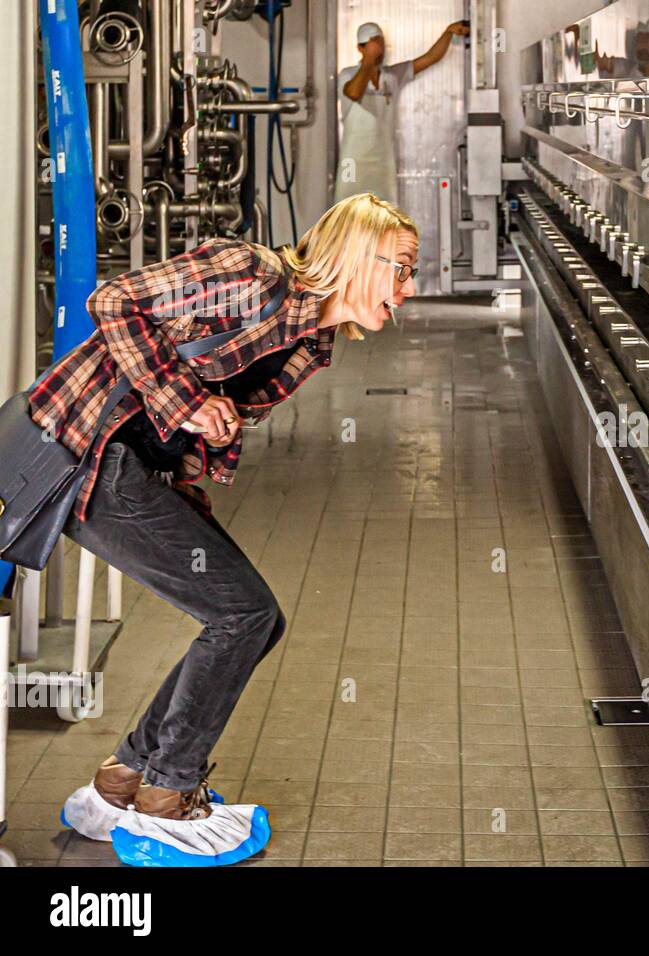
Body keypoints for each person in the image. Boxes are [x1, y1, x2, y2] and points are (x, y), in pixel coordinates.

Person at [30, 193, 418, 834]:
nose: (407, 289)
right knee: (242, 613)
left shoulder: (311, 343)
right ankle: (169, 796)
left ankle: (124, 781)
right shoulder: (252, 274)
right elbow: (114, 302)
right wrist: (185, 400)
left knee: (256, 621)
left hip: (137, 468)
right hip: (85, 453)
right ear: (356, 253)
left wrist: (194, 451)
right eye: (400, 267)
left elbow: (204, 420)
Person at [334, 19, 471, 203]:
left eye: (381, 42)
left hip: (383, 164)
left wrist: (448, 32)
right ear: (360, 48)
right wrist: (368, 60)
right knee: (349, 214)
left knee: (384, 218)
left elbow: (431, 57)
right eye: (373, 43)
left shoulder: (392, 76)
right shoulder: (348, 75)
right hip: (353, 165)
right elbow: (353, 92)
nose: (379, 48)